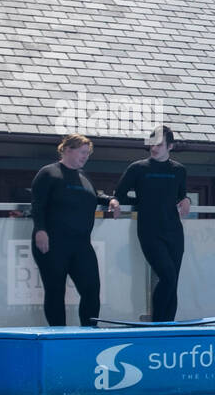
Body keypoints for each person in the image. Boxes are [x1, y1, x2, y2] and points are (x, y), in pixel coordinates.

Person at [30, 134, 120, 327]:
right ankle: (58, 334)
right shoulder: (49, 173)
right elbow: (38, 205)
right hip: (52, 242)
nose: (86, 156)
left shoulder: (83, 175)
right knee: (55, 290)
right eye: (82, 152)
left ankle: (88, 333)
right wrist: (40, 230)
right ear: (67, 149)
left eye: (88, 153)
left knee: (91, 289)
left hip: (80, 244)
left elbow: (95, 195)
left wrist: (110, 200)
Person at [114, 126, 191, 322]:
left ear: (170, 146)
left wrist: (187, 199)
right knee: (167, 276)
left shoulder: (179, 170)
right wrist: (138, 203)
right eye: (152, 144)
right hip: (149, 231)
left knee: (173, 281)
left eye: (159, 144)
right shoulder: (138, 168)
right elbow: (120, 194)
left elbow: (181, 194)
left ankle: (168, 324)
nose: (154, 148)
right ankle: (158, 322)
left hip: (174, 232)